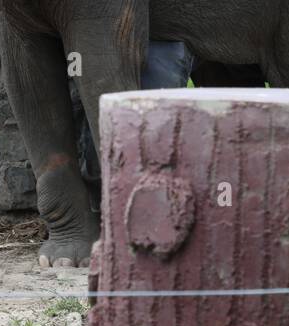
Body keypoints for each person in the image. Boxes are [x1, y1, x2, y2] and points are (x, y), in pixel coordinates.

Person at [70, 41, 195, 206]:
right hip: (98, 40)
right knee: (98, 147)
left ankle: (151, 204)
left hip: (161, 34)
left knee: (154, 129)